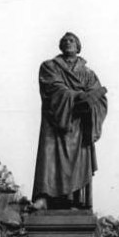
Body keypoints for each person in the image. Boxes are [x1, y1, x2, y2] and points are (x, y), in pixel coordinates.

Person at [32, 32, 108, 210]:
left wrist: (92, 102)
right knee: (50, 158)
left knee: (79, 161)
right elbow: (53, 88)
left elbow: (100, 99)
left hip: (79, 125)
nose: (68, 42)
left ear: (78, 46)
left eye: (72, 40)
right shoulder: (49, 66)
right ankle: (45, 197)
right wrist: (79, 96)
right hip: (56, 121)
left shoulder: (88, 74)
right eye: (65, 40)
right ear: (60, 45)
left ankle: (75, 200)